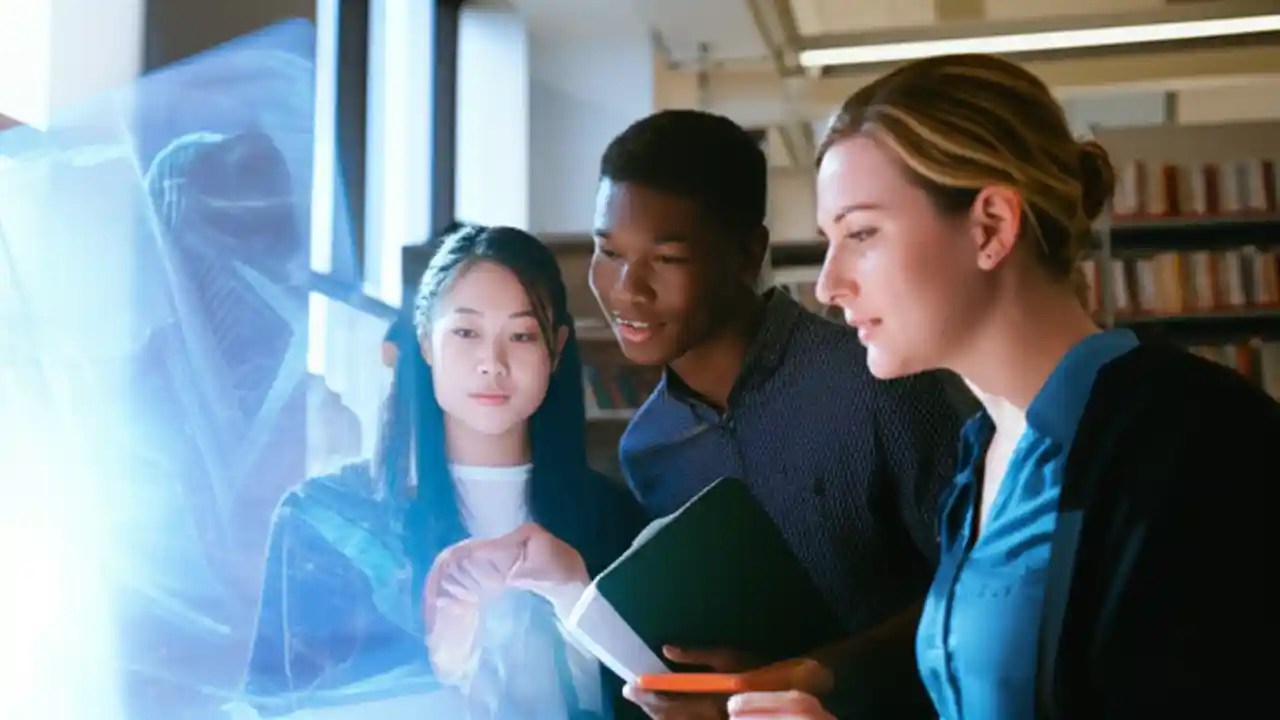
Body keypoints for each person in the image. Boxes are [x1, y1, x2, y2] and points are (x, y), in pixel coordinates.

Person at [729, 53, 1280, 720]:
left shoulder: (1196, 441)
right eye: (829, 241)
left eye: (862, 234)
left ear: (990, 226)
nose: (827, 284)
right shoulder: (981, 454)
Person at [590, 109, 972, 719]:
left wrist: (823, 673)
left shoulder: (878, 379)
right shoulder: (649, 450)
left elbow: (980, 585)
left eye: (666, 259)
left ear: (748, 253)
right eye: (608, 252)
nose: (626, 290)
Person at [243, 224, 646, 717]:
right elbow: (279, 707)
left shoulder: (616, 523)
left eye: (521, 335)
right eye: (465, 332)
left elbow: (665, 700)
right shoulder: (325, 524)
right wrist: (446, 666)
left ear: (556, 349)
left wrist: (573, 592)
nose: (492, 363)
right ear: (426, 342)